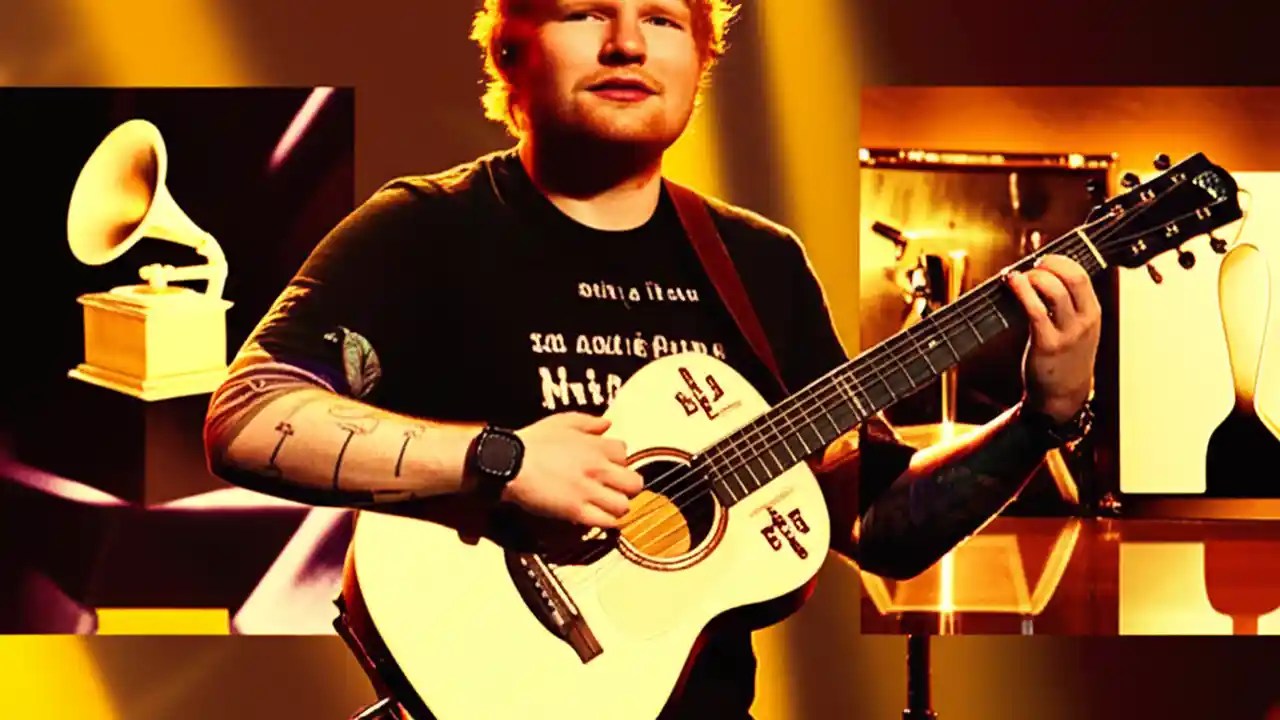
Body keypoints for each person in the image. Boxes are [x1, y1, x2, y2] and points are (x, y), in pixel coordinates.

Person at [201, 0, 1102, 717]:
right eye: (586, 12)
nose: (629, 42)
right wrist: (500, 462)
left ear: (698, 64)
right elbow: (247, 416)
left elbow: (879, 529)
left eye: (666, 19)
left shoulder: (757, 263)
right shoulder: (426, 227)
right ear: (508, 50)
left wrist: (1039, 423)